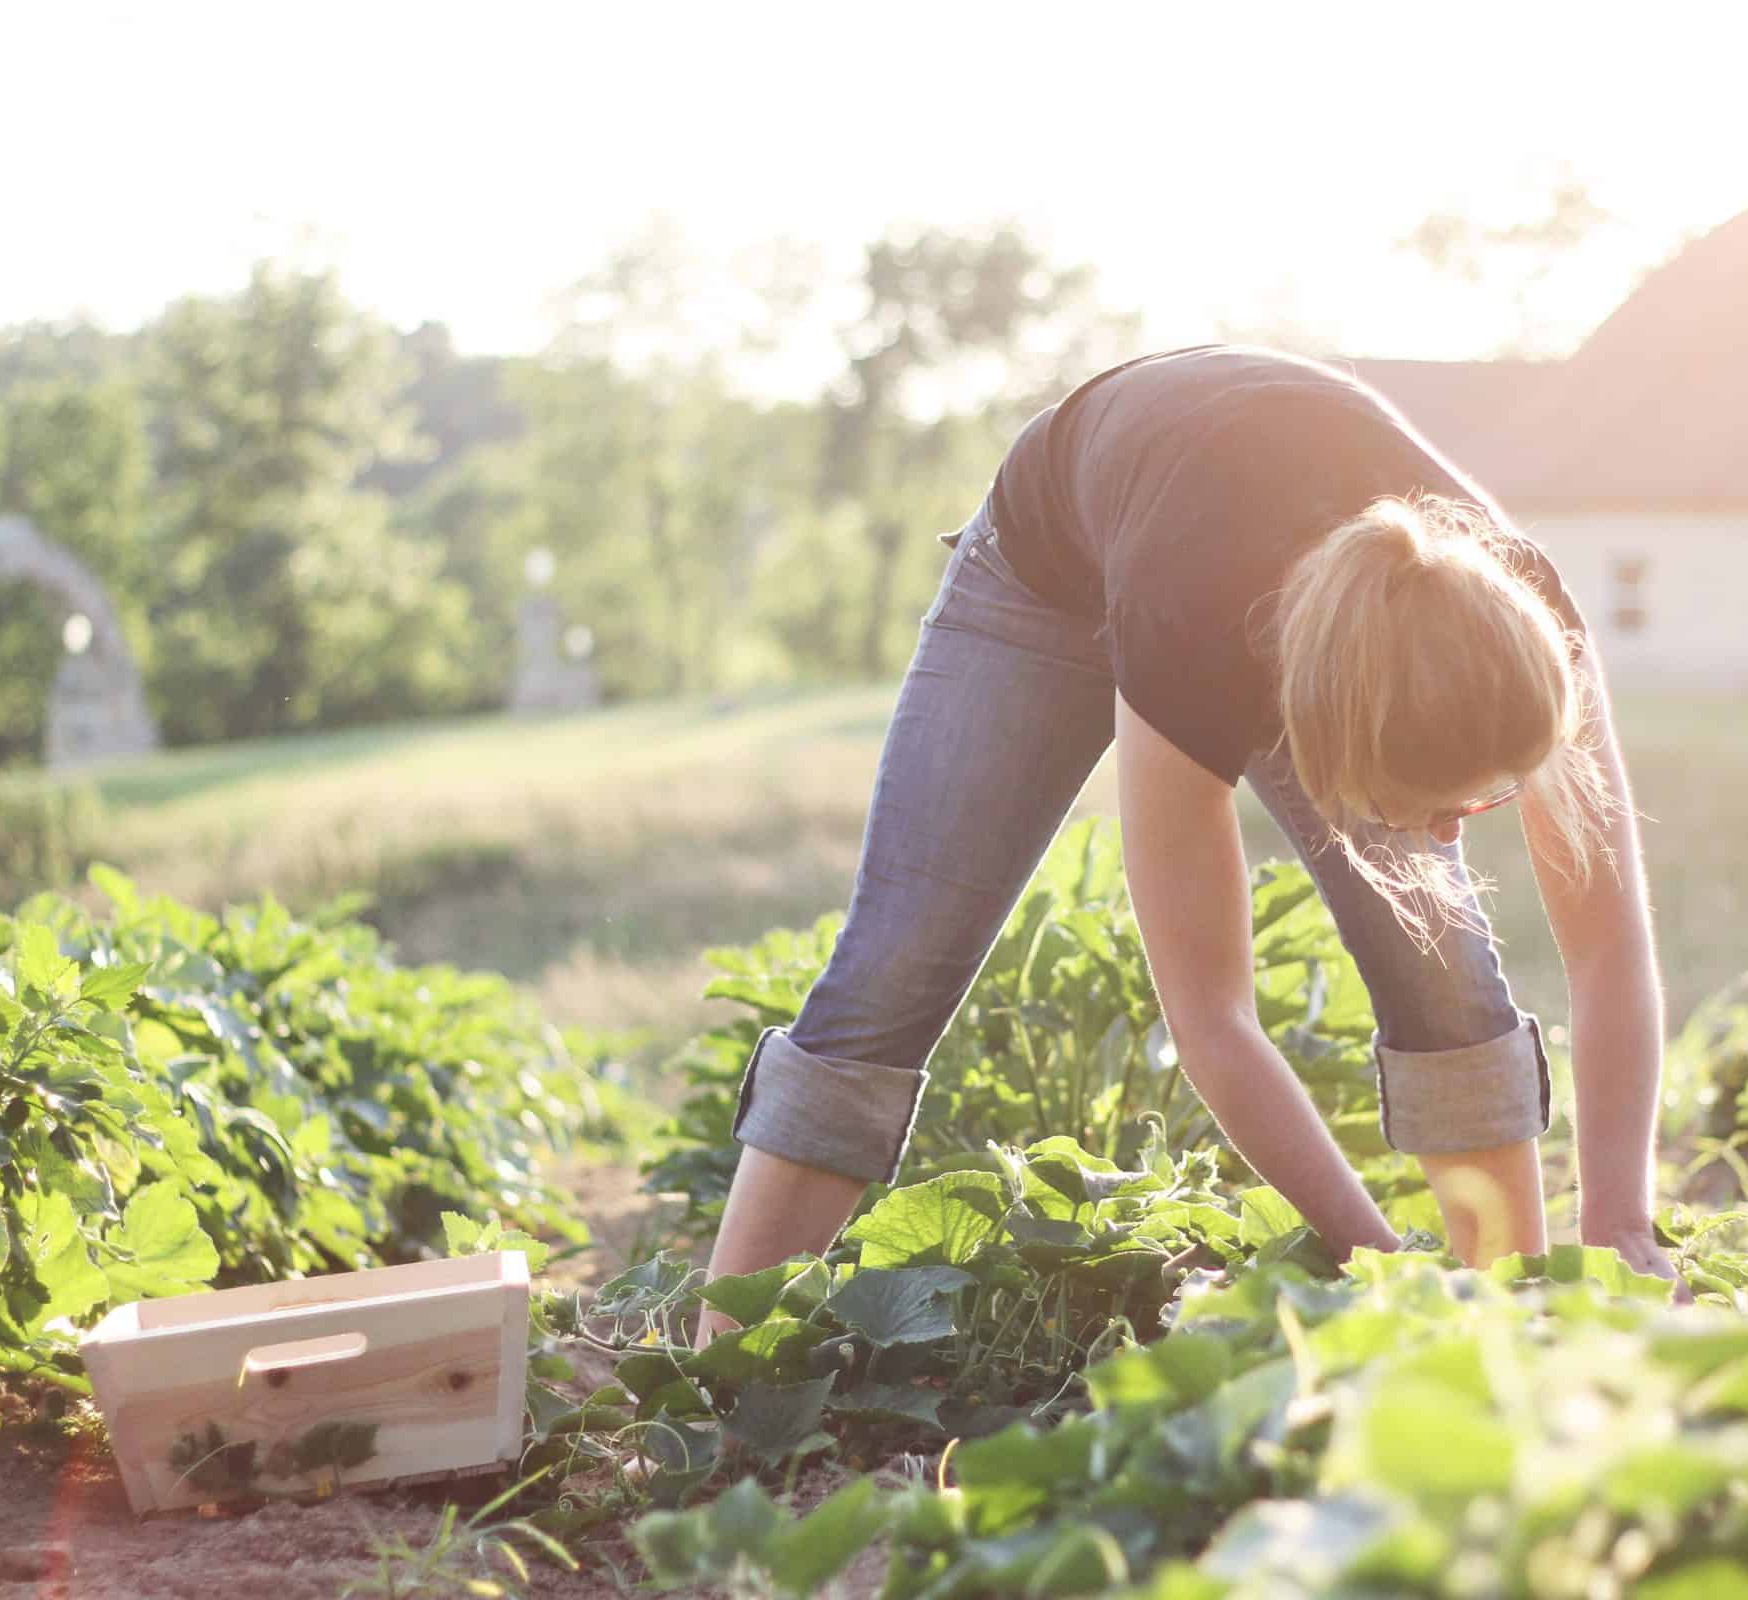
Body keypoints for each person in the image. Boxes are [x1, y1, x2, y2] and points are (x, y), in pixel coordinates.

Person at [697, 344, 1692, 1345]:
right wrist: (1375, 1265)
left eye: (1479, 802)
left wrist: (1617, 1221)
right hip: (1048, 571)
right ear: (1319, 741)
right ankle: (720, 1360)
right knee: (897, 958)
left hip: (1263, 550)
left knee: (1438, 960)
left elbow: (1607, 948)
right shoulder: (1196, 634)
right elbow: (1210, 1016)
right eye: (1430, 807)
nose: (1447, 836)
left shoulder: (1522, 632)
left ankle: (1503, 1301)